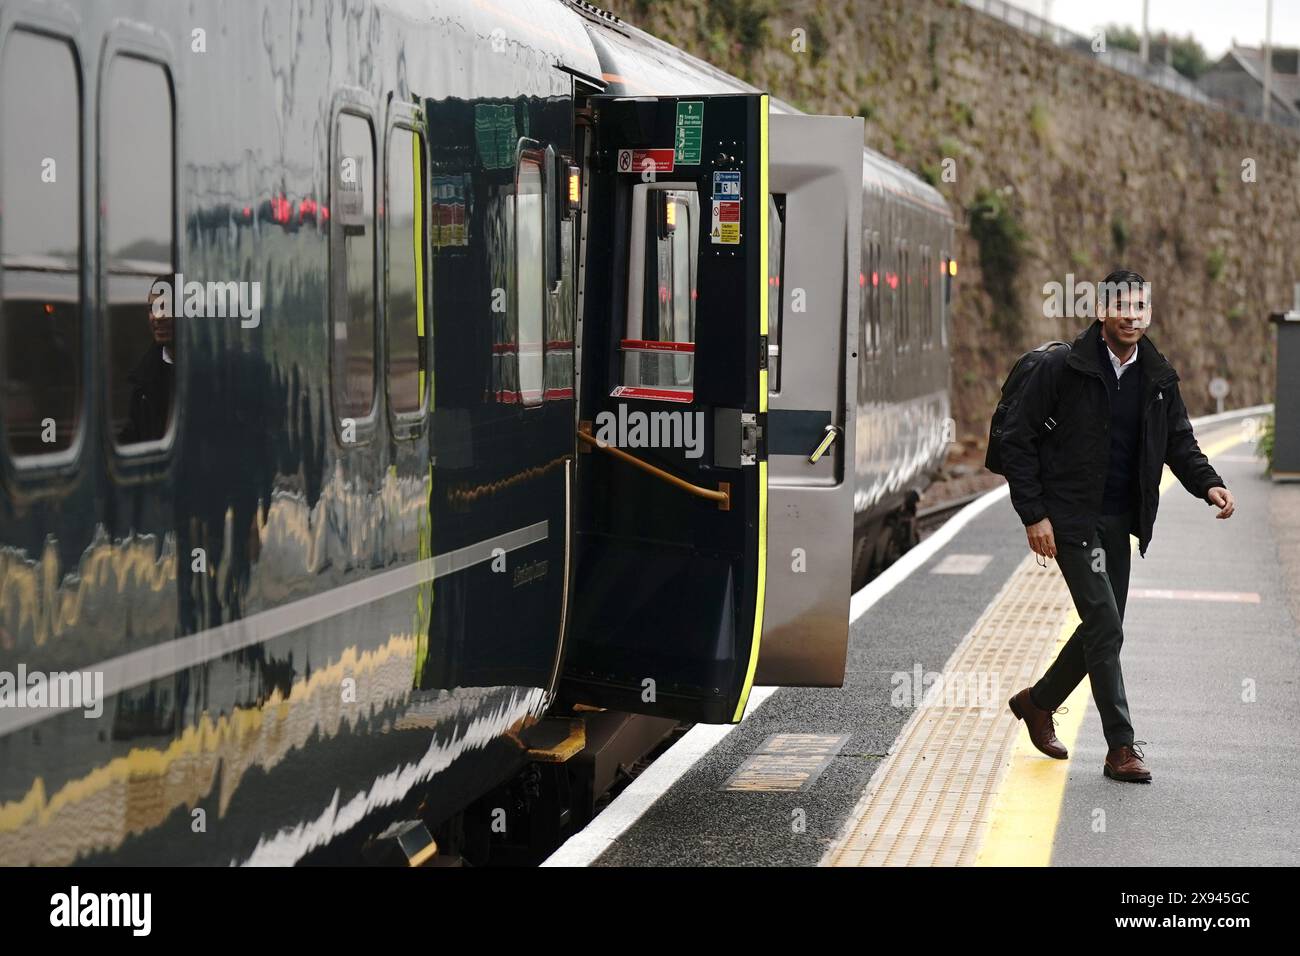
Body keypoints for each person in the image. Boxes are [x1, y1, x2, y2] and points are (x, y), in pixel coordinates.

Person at [999, 269, 1235, 783]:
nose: (1132, 317)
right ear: (1102, 311)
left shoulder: (1156, 374)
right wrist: (1034, 514)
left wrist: (1209, 484)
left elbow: (1179, 442)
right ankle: (1120, 747)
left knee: (1103, 629)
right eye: (1122, 307)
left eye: (1141, 309)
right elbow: (1016, 442)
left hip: (1119, 520)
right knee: (1106, 625)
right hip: (1070, 516)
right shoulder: (1064, 368)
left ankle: (1037, 704)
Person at [118, 276, 175, 444]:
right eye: (153, 308)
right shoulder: (143, 381)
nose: (158, 317)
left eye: (167, 307)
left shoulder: (214, 376)